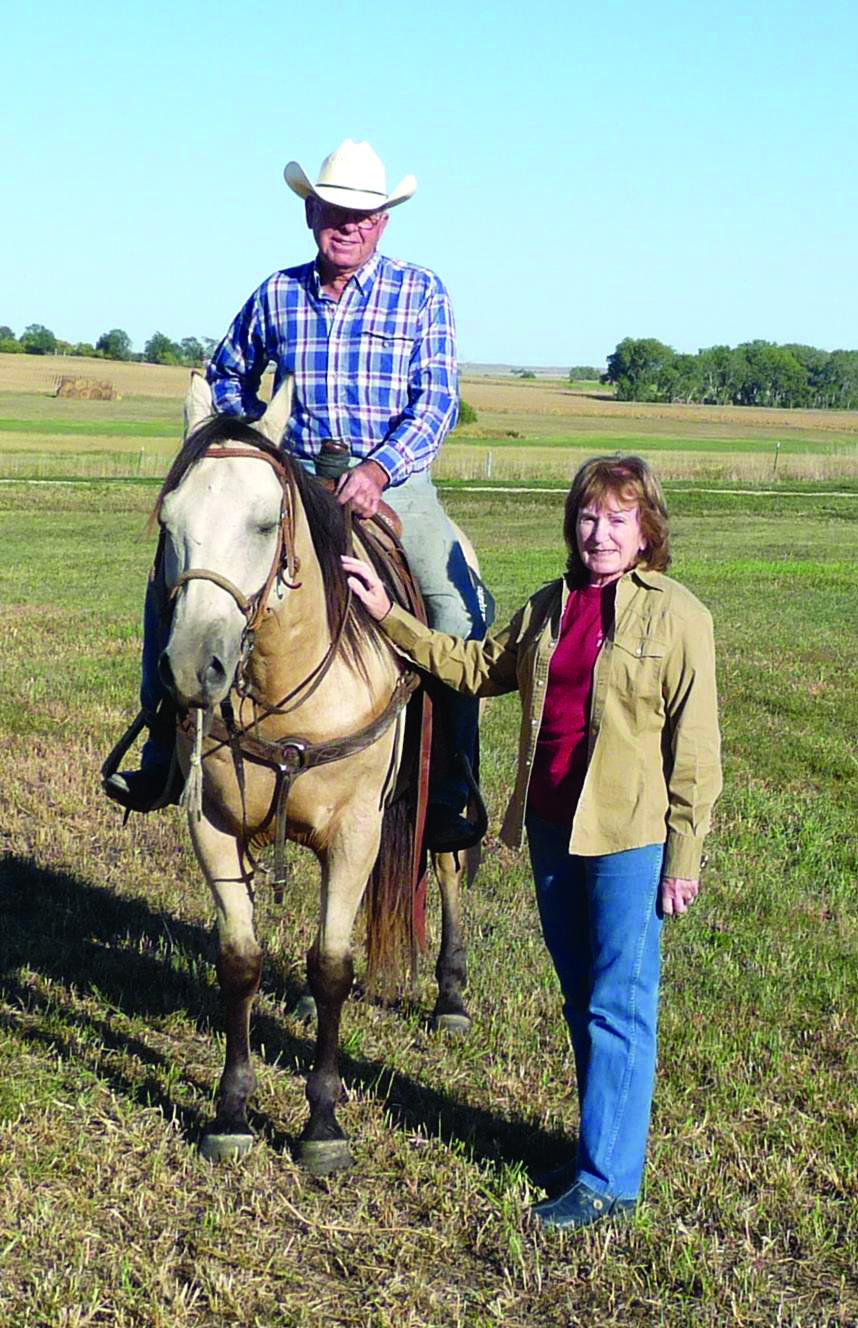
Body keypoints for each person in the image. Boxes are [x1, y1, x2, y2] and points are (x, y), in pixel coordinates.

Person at [341, 454, 722, 1231]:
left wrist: (684, 855)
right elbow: (477, 666)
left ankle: (609, 1185)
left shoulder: (680, 616)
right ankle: (596, 1152)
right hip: (551, 827)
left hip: (629, 836)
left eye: (619, 520)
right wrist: (389, 617)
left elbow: (697, 750)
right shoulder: (552, 606)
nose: (600, 533)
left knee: (620, 1006)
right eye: (588, 518)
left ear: (647, 530)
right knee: (583, 1001)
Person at [105, 140, 487, 848]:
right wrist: (253, 445)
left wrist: (377, 471)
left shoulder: (420, 291)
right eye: (335, 211)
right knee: (175, 584)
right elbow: (224, 374)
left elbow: (437, 401)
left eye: (364, 216)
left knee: (454, 608)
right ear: (312, 212)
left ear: (384, 223)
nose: (349, 225)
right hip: (290, 486)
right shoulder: (276, 294)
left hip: (395, 487)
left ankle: (450, 784)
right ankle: (163, 749)